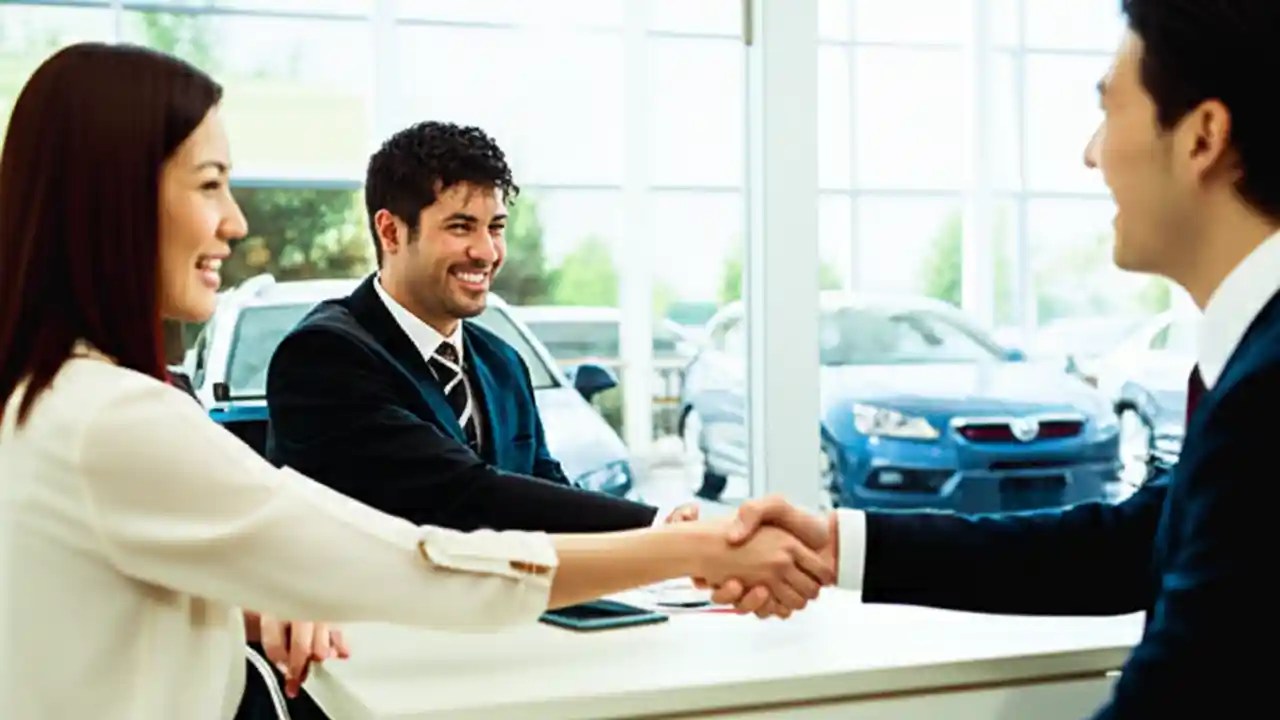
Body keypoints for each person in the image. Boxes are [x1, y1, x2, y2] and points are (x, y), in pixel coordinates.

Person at [0, 42, 835, 720]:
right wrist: (689, 543)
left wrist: (257, 595)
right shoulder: (120, 415)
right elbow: (421, 543)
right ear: (112, 197)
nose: (237, 221)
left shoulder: (54, 399)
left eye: (496, 226)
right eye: (210, 184)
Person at [716, 1, 1276, 716]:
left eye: (1109, 110)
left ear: (1202, 137)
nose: (1091, 152)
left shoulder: (1266, 394)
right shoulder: (1254, 369)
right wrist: (837, 545)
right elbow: (1137, 544)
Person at [264, 120, 692, 538]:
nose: (487, 252)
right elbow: (463, 494)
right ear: (391, 232)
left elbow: (548, 492)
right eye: (461, 227)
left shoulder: (502, 363)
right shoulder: (322, 357)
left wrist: (662, 547)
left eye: (496, 228)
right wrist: (656, 526)